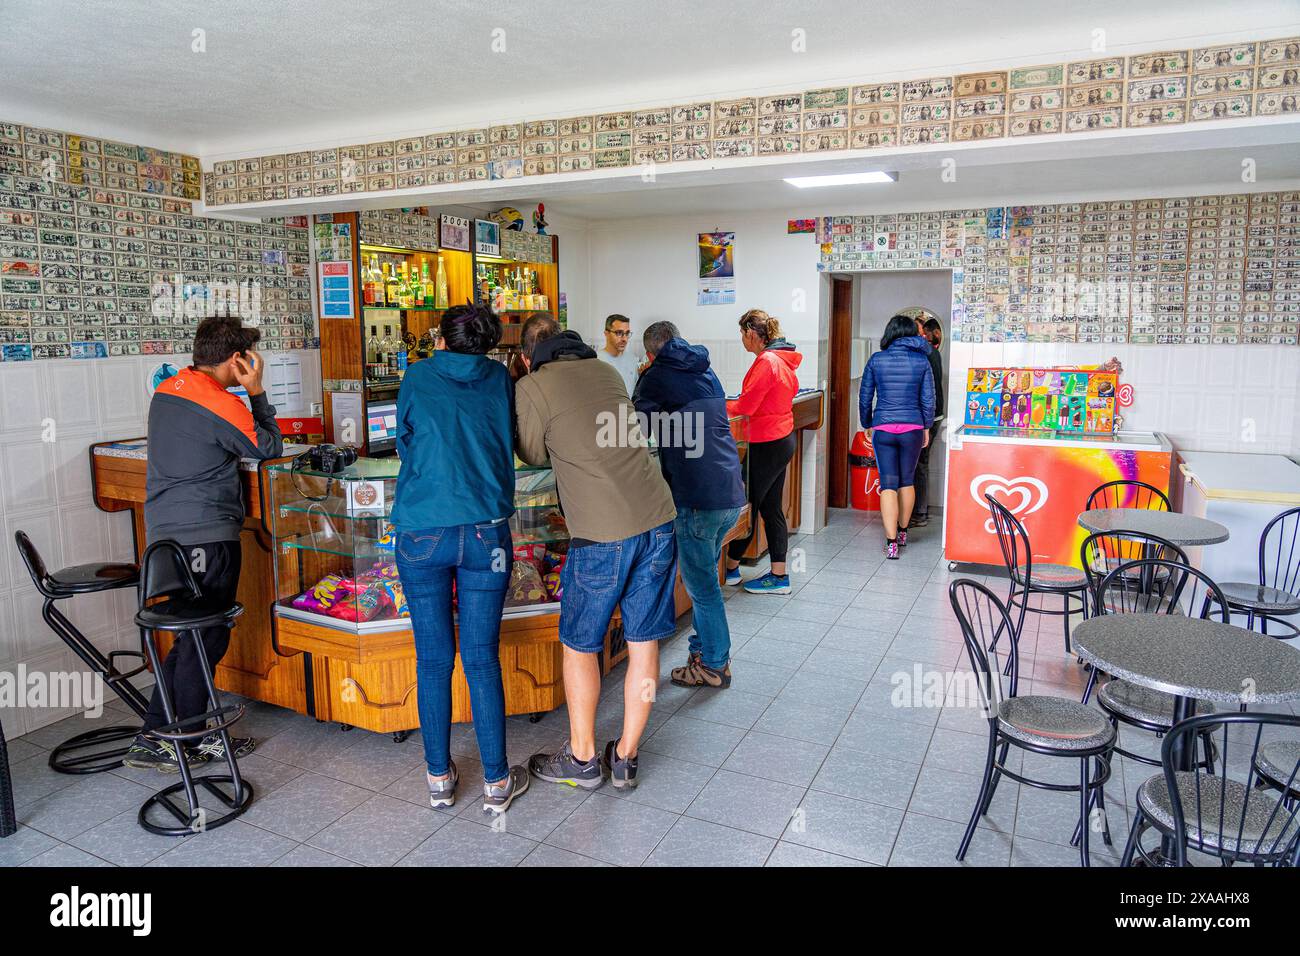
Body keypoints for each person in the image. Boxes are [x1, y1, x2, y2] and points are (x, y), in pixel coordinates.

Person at [515, 315, 677, 790]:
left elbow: (531, 453)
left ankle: (582, 759)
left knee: (581, 644)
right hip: (658, 517)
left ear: (528, 357)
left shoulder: (534, 385)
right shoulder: (607, 372)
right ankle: (625, 758)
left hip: (602, 534)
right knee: (643, 642)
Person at [124, 316, 283, 771]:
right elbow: (268, 447)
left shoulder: (169, 389)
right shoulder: (221, 403)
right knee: (206, 638)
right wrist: (256, 393)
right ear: (238, 359)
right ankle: (182, 738)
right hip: (205, 535)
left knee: (192, 637)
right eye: (248, 359)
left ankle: (160, 736)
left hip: (165, 537)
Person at [390, 303, 529, 815]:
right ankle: (496, 781)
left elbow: (404, 441)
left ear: (443, 338)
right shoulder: (499, 377)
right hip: (485, 533)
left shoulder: (418, 375)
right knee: (480, 657)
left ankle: (439, 779)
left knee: (432, 659)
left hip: (422, 531)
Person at [633, 321, 746, 689]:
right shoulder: (704, 368)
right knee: (707, 578)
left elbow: (633, 431)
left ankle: (714, 664)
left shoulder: (656, 376)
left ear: (651, 354)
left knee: (702, 588)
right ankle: (702, 651)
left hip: (696, 498)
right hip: (728, 491)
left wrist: (642, 384)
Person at [723, 309, 802, 594]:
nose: (742, 340)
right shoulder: (782, 359)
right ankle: (778, 575)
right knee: (769, 508)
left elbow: (746, 407)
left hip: (767, 443)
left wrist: (719, 405)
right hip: (781, 439)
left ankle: (730, 567)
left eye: (741, 334)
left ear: (751, 334)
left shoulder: (766, 361)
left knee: (747, 504)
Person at [859, 314, 936, 559]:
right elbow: (928, 400)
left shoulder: (876, 360)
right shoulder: (922, 361)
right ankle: (903, 532)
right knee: (907, 481)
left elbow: (865, 396)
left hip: (883, 428)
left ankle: (891, 543)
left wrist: (867, 423)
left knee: (888, 483)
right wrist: (926, 427)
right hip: (912, 428)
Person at [911, 316, 946, 527]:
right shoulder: (931, 352)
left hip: (928, 417)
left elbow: (925, 391)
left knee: (918, 464)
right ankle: (918, 510)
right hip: (932, 415)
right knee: (920, 463)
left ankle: (919, 512)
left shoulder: (924, 353)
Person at [596, 313, 640, 397]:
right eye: (619, 333)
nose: (624, 339)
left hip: (628, 409)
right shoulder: (597, 360)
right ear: (606, 333)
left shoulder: (632, 359)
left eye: (627, 333)